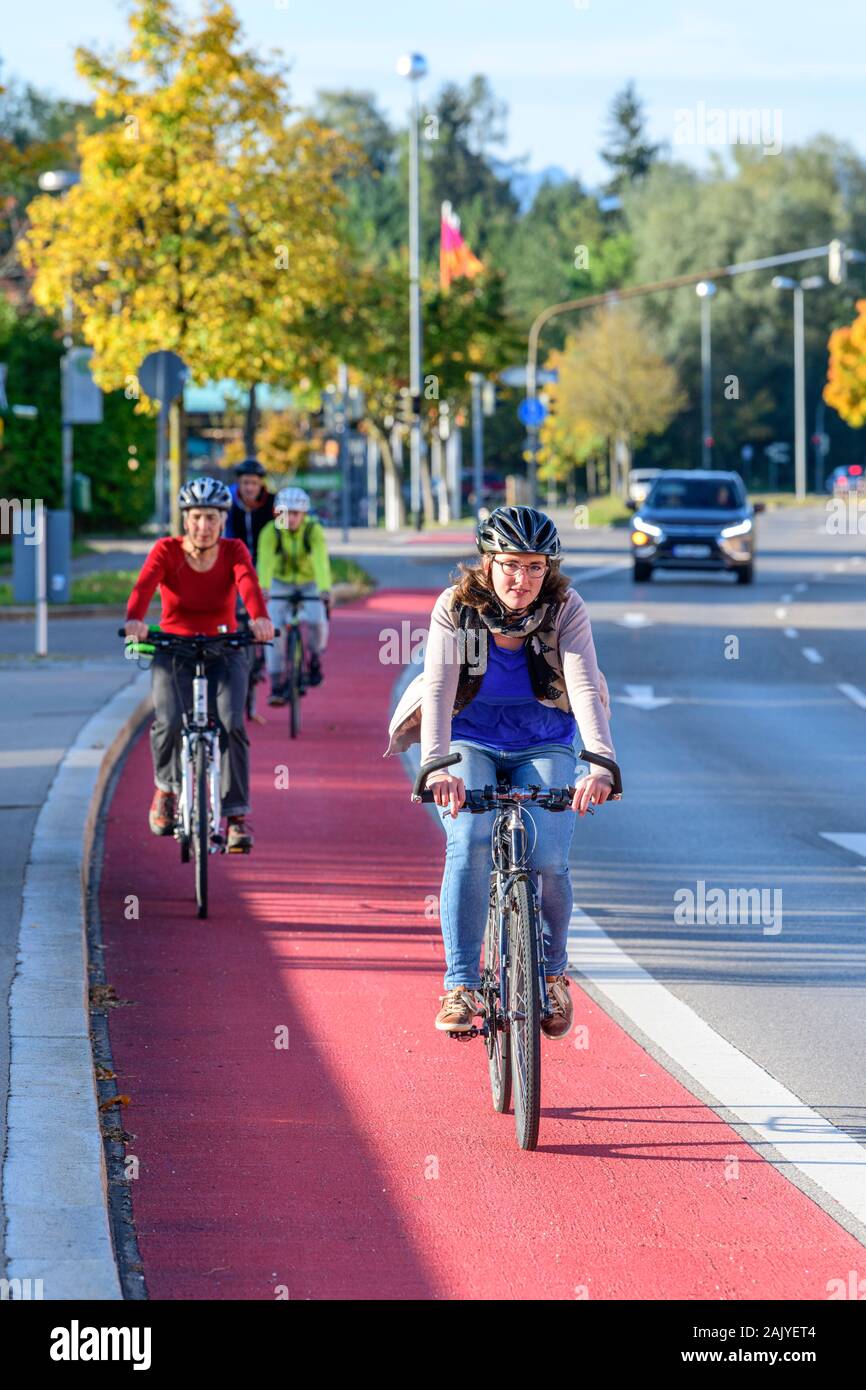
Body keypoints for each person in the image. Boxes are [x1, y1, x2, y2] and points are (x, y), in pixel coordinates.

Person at [384, 505, 616, 1039]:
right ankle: (461, 985)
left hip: (546, 739)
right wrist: (436, 764)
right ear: (487, 563)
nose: (523, 579)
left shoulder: (564, 608)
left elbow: (583, 685)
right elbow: (440, 688)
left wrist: (601, 761)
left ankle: (554, 974)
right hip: (469, 736)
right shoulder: (458, 608)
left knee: (551, 856)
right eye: (511, 564)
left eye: (535, 567)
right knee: (468, 839)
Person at [124, 476, 274, 852]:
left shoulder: (234, 550)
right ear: (184, 520)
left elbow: (248, 585)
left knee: (231, 723)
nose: (203, 526)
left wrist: (259, 618)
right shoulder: (166, 550)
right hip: (174, 648)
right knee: (169, 721)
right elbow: (143, 588)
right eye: (195, 517)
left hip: (225, 647)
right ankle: (167, 789)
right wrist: (134, 620)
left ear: (222, 520)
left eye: (211, 517)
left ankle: (236, 816)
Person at [257, 485, 332, 704]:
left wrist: (324, 589)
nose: (289, 519)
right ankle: (276, 681)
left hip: (310, 583)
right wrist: (264, 587)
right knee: (273, 629)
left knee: (318, 621)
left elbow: (320, 561)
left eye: (295, 514)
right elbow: (266, 561)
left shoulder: (313, 530)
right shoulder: (271, 531)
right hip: (280, 583)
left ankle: (315, 658)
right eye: (285, 513)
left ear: (304, 514)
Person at [224, 457, 275, 563]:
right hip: (239, 561)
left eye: (254, 483)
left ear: (261, 483)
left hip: (269, 562)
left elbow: (284, 533)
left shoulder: (276, 502)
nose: (249, 488)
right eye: (245, 483)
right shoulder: (230, 503)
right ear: (238, 482)